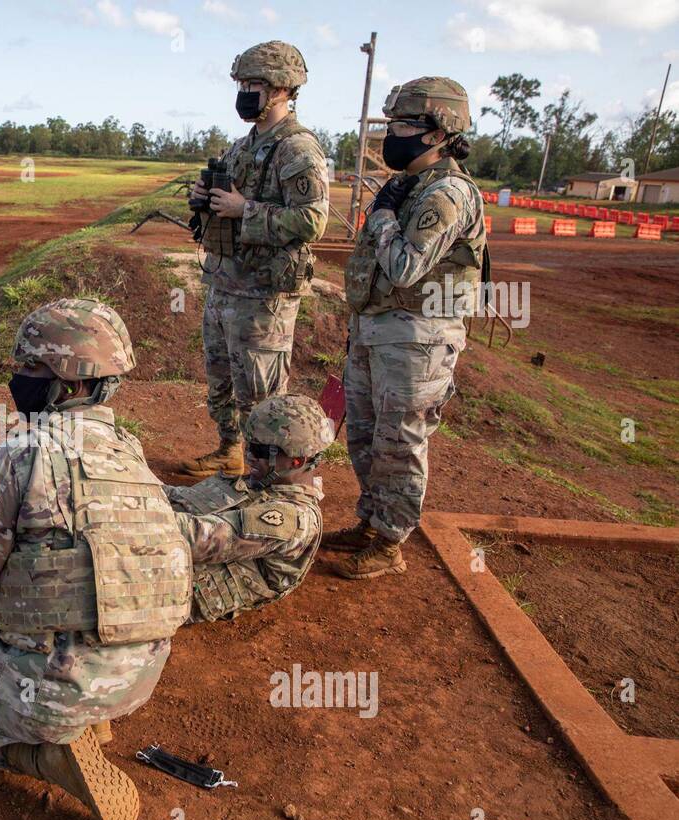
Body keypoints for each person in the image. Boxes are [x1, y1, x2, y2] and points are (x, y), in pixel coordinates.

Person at [0, 298, 193, 820]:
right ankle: (87, 715)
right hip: (140, 680)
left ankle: (44, 758)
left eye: (28, 367)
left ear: (68, 383)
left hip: (48, 687)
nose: (16, 378)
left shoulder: (25, 452)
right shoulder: (130, 452)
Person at [325, 77, 486, 580]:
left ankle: (391, 541)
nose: (390, 133)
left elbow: (403, 267)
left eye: (403, 125)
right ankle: (373, 522)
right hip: (377, 331)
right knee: (366, 437)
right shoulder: (409, 185)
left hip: (419, 341)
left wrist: (384, 217)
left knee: (400, 442)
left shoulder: (448, 194)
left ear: (439, 133)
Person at [180, 40, 329, 480]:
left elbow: (312, 220)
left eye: (255, 84)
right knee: (222, 380)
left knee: (260, 389)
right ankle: (230, 450)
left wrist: (244, 209)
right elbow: (225, 199)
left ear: (284, 89)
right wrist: (204, 200)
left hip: (264, 293)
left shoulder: (298, 150)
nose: (245, 92)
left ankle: (267, 475)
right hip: (225, 282)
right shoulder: (242, 146)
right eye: (242, 83)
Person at [166, 395, 330, 621]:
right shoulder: (264, 482)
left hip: (184, 582)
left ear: (296, 461)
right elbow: (181, 497)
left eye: (261, 451)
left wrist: (128, 510)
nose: (249, 456)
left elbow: (195, 539)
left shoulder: (290, 520)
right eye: (249, 445)